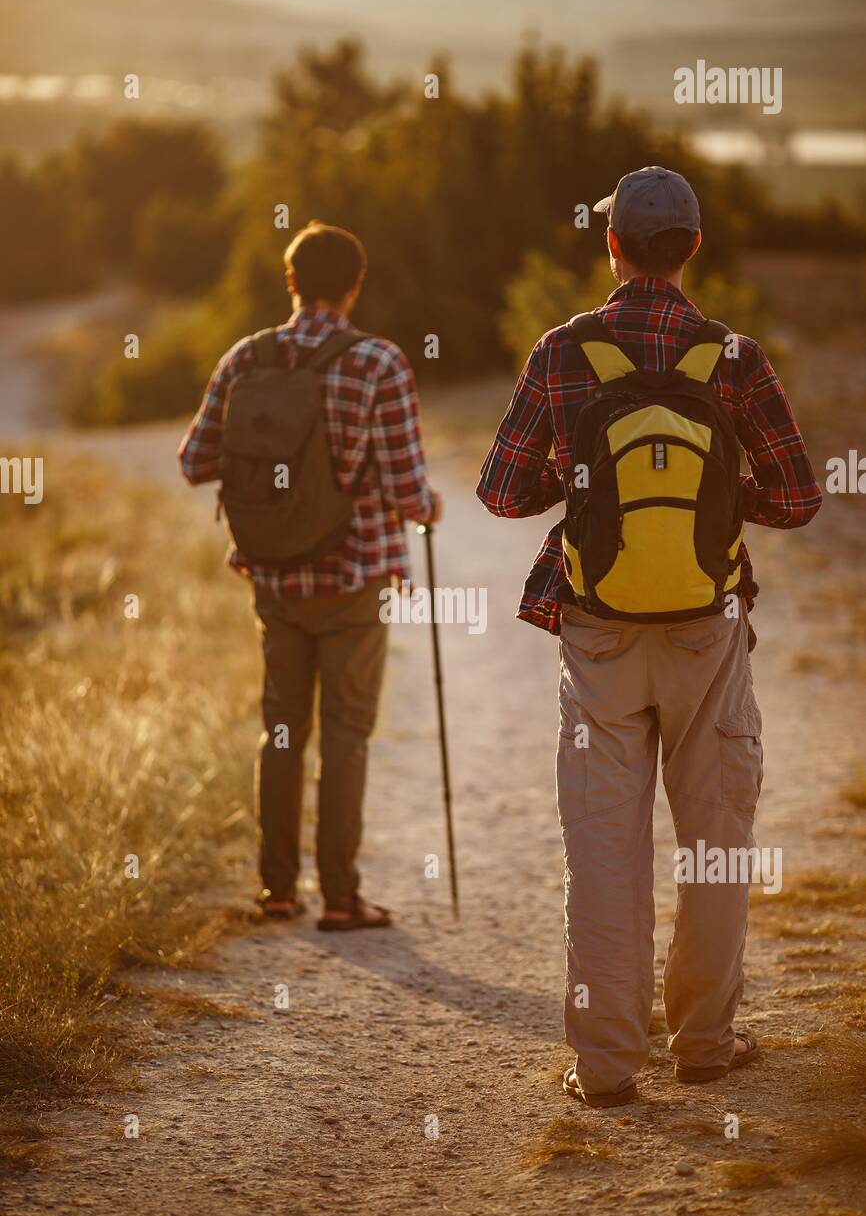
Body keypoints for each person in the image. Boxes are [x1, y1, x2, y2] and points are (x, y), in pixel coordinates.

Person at [477, 167, 822, 1104]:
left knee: (602, 848)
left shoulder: (562, 352)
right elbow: (798, 497)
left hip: (596, 632)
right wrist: (716, 502)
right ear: (695, 248)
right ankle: (705, 1044)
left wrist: (581, 478)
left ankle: (606, 1065)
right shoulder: (734, 356)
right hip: (708, 632)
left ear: (611, 245)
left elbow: (502, 492)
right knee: (714, 840)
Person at [179, 221, 441, 930]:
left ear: (290, 281)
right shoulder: (377, 362)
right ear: (354, 285)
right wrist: (428, 507)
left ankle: (277, 890)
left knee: (283, 730)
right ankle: (342, 897)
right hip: (353, 579)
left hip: (275, 579)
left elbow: (194, 461)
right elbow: (406, 487)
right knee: (347, 736)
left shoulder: (245, 358)